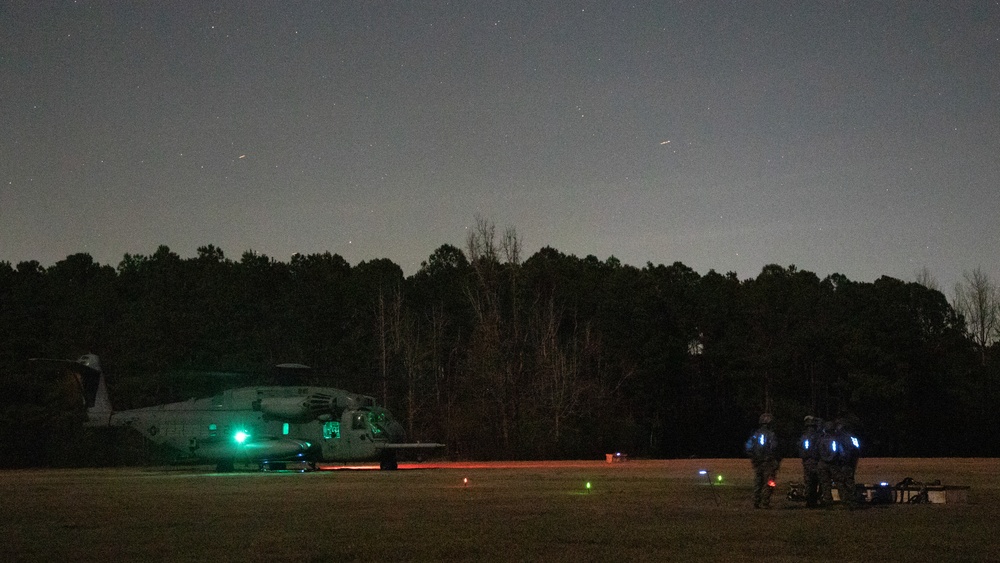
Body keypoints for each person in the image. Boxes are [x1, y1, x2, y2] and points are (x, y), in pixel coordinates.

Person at [745, 413, 781, 509]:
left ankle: (756, 501)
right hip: (768, 462)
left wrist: (754, 458)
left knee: (758, 481)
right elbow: (774, 448)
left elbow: (748, 447)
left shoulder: (755, 435)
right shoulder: (771, 435)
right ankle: (765, 502)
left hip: (758, 462)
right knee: (769, 482)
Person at [797, 416, 822, 508]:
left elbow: (802, 448)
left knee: (809, 481)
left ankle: (809, 501)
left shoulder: (804, 436)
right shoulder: (818, 435)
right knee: (817, 481)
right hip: (817, 460)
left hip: (807, 461)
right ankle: (815, 500)